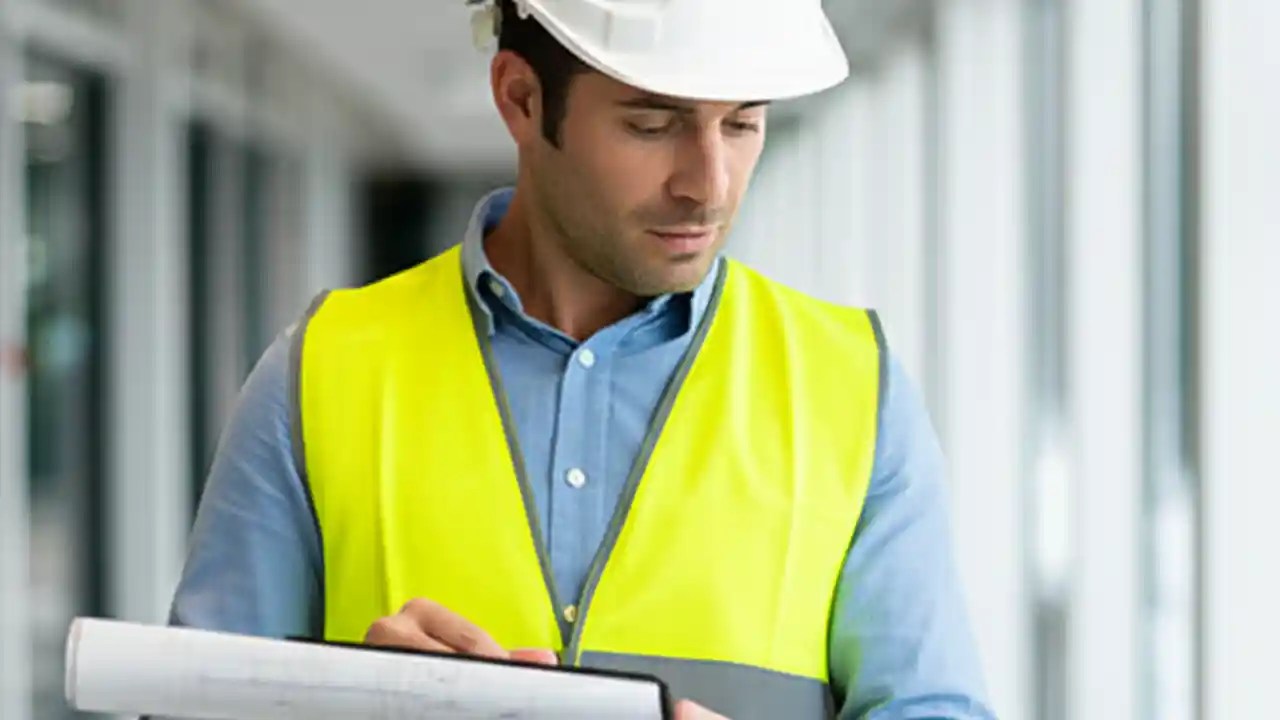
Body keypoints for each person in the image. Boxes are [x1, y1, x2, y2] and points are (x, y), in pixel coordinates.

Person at [169, 0, 994, 717]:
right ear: (521, 99)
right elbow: (190, 708)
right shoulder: (321, 371)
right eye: (652, 123)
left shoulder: (851, 384)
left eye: (743, 122)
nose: (708, 184)